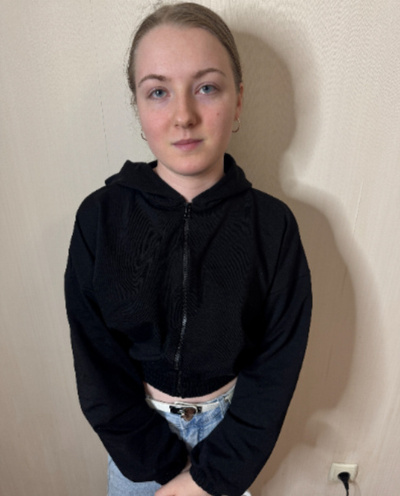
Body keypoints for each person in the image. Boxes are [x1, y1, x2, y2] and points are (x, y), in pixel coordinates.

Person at [64, 3, 312, 496]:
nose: (183, 116)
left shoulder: (274, 227)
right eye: (158, 91)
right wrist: (158, 461)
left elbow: (276, 366)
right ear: (137, 107)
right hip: (136, 441)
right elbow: (97, 363)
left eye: (206, 88)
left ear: (237, 101)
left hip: (233, 441)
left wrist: (209, 478)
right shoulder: (99, 218)